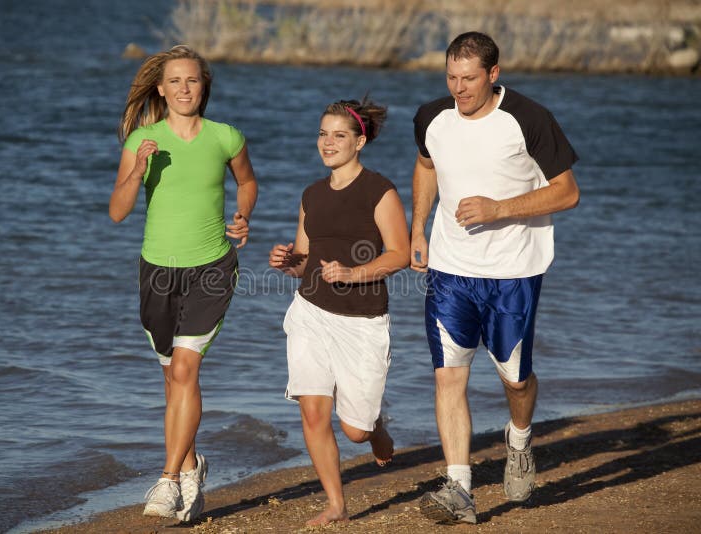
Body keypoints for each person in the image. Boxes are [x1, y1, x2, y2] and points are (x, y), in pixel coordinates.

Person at [410, 32, 580, 524]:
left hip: (513, 271)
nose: (458, 88)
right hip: (450, 269)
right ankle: (458, 487)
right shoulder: (431, 117)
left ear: (493, 74)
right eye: (451, 77)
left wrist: (498, 208)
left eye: (469, 79)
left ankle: (519, 439)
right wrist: (418, 226)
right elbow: (426, 165)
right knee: (448, 374)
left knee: (516, 379)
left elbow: (567, 192)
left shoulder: (528, 119)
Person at [109, 45, 258, 523]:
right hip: (157, 270)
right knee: (172, 379)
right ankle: (192, 467)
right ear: (160, 88)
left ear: (203, 86)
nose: (183, 89)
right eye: (174, 81)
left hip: (212, 266)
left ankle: (169, 479)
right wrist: (138, 169)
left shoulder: (225, 137)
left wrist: (243, 214)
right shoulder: (142, 140)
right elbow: (117, 212)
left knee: (185, 370)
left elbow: (247, 182)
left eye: (192, 80)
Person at [269, 98, 410, 527]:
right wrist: (287, 262)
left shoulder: (379, 191)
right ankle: (336, 505)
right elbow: (304, 262)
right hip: (310, 312)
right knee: (313, 411)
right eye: (322, 134)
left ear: (359, 142)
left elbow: (400, 254)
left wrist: (352, 273)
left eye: (339, 135)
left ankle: (375, 426)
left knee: (356, 431)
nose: (327, 143)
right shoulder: (311, 195)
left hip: (362, 321)